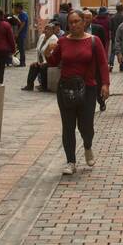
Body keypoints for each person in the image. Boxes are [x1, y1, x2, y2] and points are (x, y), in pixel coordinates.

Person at [47, 10, 110, 176]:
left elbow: (103, 65)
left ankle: (87, 146)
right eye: (71, 22)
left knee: (86, 125)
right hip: (65, 89)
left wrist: (105, 84)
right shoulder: (62, 42)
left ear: (84, 23)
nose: (74, 25)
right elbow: (53, 62)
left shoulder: (94, 41)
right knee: (68, 126)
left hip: (88, 88)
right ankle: (71, 161)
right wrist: (48, 50)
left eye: (77, 21)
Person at [24, 21, 60, 91]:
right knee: (33, 66)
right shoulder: (42, 36)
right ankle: (29, 85)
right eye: (45, 28)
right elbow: (38, 50)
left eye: (49, 29)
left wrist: (44, 62)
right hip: (42, 61)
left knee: (43, 67)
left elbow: (51, 54)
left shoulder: (54, 39)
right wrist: (37, 61)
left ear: (53, 31)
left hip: (50, 61)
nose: (46, 30)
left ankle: (44, 86)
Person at [109, 4, 123, 69]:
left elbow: (110, 28)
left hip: (114, 36)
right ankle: (122, 65)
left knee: (113, 51)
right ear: (122, 9)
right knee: (122, 50)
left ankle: (111, 64)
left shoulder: (112, 17)